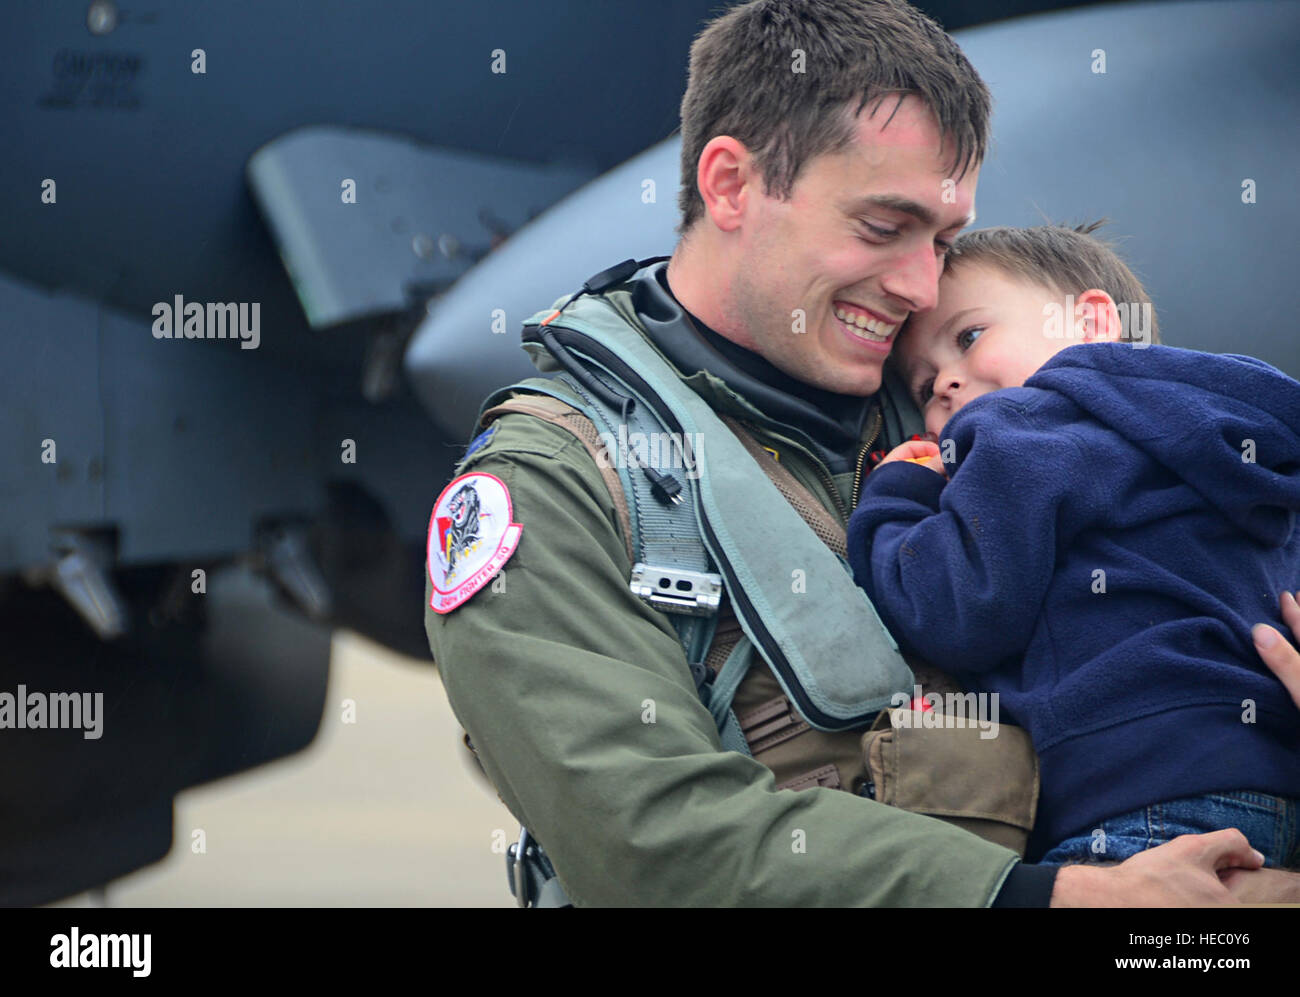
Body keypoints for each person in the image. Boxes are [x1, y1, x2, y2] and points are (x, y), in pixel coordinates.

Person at [423, 0, 1289, 905]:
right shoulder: (561, 482)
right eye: (882, 228)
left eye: (945, 241)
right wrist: (1069, 900)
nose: (922, 287)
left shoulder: (975, 398)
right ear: (730, 186)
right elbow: (655, 843)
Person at [847, 222, 1300, 868]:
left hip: (1137, 795)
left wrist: (896, 496)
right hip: (1268, 784)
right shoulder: (1227, 441)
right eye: (923, 386)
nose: (946, 383)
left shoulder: (1026, 425)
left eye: (970, 336)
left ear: (1090, 324)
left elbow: (956, 608)